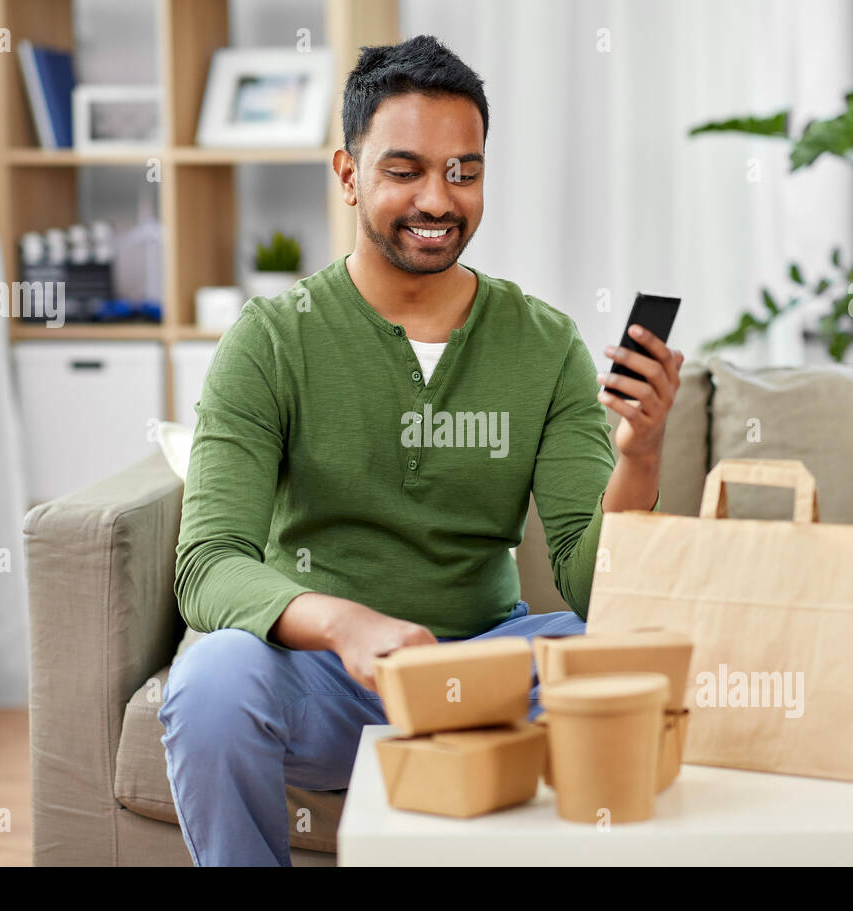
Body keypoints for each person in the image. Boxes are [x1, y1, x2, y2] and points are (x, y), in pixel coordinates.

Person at [159, 34, 685, 866]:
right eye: (404, 171)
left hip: (484, 671)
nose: (439, 199)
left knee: (639, 663)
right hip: (324, 679)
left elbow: (595, 586)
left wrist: (643, 452)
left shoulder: (544, 343)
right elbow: (209, 563)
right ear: (348, 174)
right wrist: (345, 627)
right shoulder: (269, 341)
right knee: (213, 681)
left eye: (464, 172)